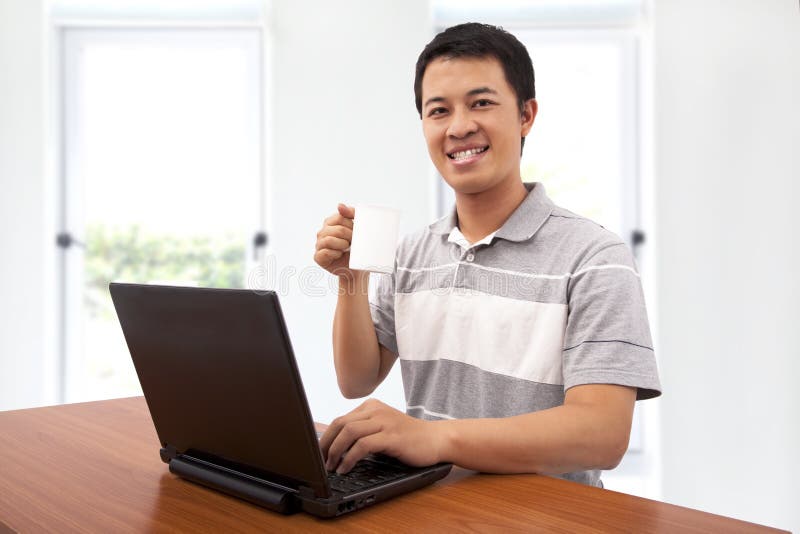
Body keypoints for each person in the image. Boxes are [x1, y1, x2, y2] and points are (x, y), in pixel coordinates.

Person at [312, 22, 660, 486]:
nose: (459, 126)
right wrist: (350, 280)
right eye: (439, 110)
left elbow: (602, 434)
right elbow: (357, 379)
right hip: (430, 509)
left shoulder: (596, 257)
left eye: (481, 103)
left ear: (525, 115)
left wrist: (434, 438)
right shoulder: (413, 252)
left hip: (546, 518)